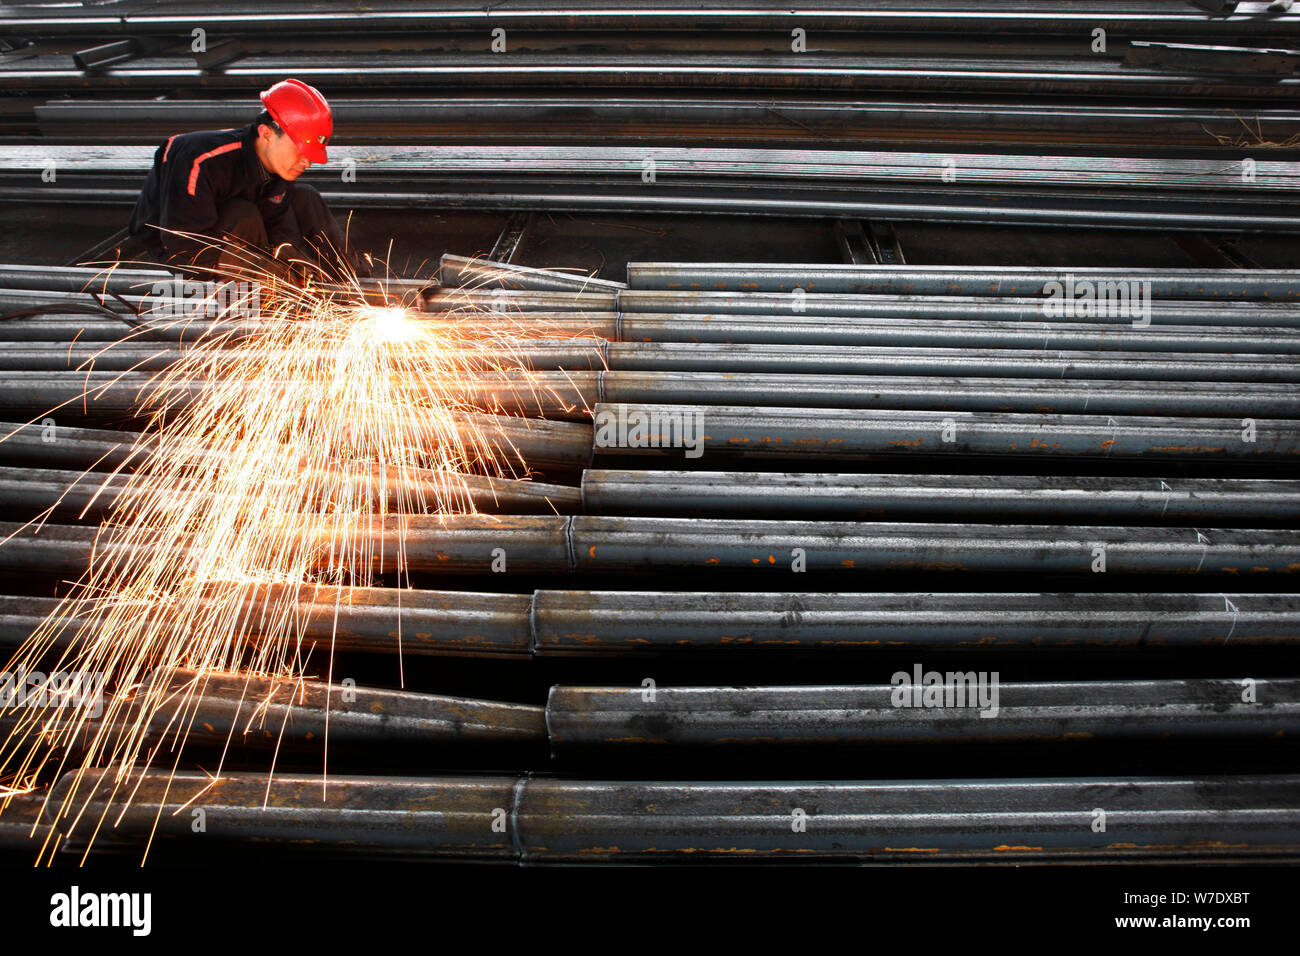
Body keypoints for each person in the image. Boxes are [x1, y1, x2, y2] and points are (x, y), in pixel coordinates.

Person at [127, 78, 370, 282]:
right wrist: (265, 271)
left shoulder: (276, 169)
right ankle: (259, 305)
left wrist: (294, 263)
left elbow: (279, 222)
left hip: (235, 226)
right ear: (266, 134)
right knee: (244, 215)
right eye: (300, 151)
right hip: (175, 246)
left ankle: (353, 285)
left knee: (306, 198)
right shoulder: (200, 159)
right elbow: (183, 247)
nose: (307, 162)